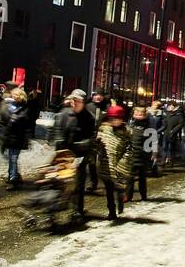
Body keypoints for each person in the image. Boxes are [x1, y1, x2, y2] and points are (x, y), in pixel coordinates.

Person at [55, 90, 97, 219]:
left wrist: (79, 145)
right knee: (60, 180)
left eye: (77, 101)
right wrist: (58, 141)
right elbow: (57, 129)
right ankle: (58, 205)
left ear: (83, 102)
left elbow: (90, 138)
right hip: (64, 154)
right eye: (72, 100)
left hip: (79, 155)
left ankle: (78, 208)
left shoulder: (89, 117)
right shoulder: (64, 114)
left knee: (78, 182)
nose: (74, 103)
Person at [95, 104, 131, 218]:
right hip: (106, 165)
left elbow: (130, 148)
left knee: (119, 187)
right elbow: (97, 144)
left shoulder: (127, 132)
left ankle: (120, 200)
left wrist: (125, 160)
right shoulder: (103, 129)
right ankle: (111, 211)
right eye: (113, 119)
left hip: (120, 165)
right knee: (109, 189)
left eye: (118, 119)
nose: (115, 121)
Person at [0, 86, 32, 188]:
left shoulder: (24, 108)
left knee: (13, 158)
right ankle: (13, 176)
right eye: (12, 94)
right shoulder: (10, 105)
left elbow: (24, 124)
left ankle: (13, 180)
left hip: (17, 138)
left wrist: (14, 118)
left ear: (20, 96)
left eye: (15, 94)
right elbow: (4, 118)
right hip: (10, 137)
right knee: (11, 158)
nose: (12, 96)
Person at [125, 104, 151, 202]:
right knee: (129, 177)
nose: (138, 116)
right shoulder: (130, 126)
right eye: (136, 114)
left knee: (142, 178)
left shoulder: (148, 128)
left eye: (140, 114)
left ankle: (143, 195)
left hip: (142, 156)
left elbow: (151, 143)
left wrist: (148, 154)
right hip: (131, 154)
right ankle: (128, 195)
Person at [162, 102, 184, 171]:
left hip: (172, 134)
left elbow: (180, 124)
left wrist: (173, 131)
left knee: (171, 148)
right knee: (164, 147)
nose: (169, 107)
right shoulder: (166, 113)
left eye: (170, 106)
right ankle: (164, 160)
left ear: (174, 107)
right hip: (165, 133)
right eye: (169, 106)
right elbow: (164, 122)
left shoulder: (178, 115)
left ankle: (171, 160)